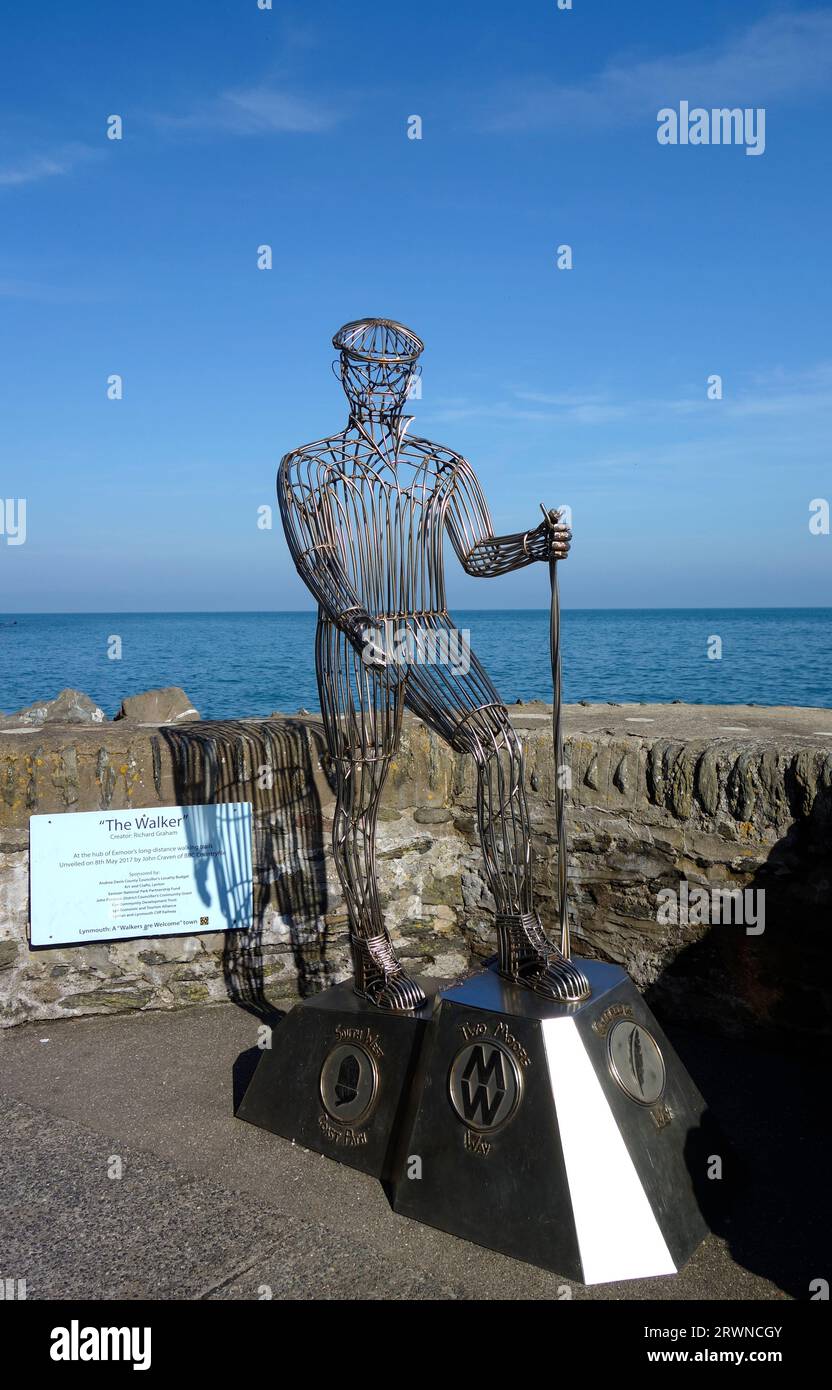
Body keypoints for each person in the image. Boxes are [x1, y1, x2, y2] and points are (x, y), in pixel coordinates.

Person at [278, 318, 590, 1010]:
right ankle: (371, 952)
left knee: (502, 747)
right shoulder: (308, 467)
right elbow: (317, 559)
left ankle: (519, 934)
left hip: (430, 632)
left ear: (409, 377)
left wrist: (536, 544)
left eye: (393, 371)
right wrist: (359, 624)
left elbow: (476, 556)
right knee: (360, 786)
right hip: (352, 634)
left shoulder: (442, 467)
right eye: (366, 368)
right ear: (344, 372)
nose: (380, 383)